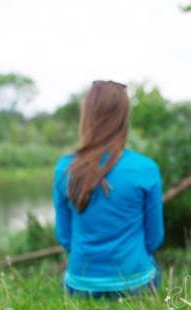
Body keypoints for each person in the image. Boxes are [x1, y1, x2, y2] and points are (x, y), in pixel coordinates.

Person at [53, 80, 164, 298]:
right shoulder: (146, 168)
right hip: (134, 285)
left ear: (86, 116)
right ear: (124, 119)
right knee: (152, 266)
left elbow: (64, 237)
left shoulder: (65, 168)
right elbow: (154, 239)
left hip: (80, 286)